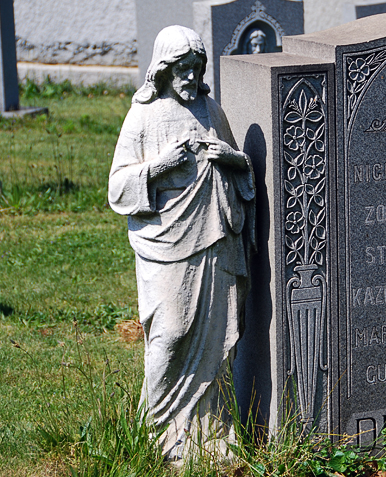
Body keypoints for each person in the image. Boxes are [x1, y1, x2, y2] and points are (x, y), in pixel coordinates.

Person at [108, 25, 255, 458]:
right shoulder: (142, 116)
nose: (191, 77)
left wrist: (230, 158)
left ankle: (210, 435)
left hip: (216, 240)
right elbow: (117, 188)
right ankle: (152, 432)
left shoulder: (212, 109)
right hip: (165, 243)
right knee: (170, 334)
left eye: (196, 68)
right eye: (182, 69)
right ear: (163, 70)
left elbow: (240, 167)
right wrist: (159, 166)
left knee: (217, 337)